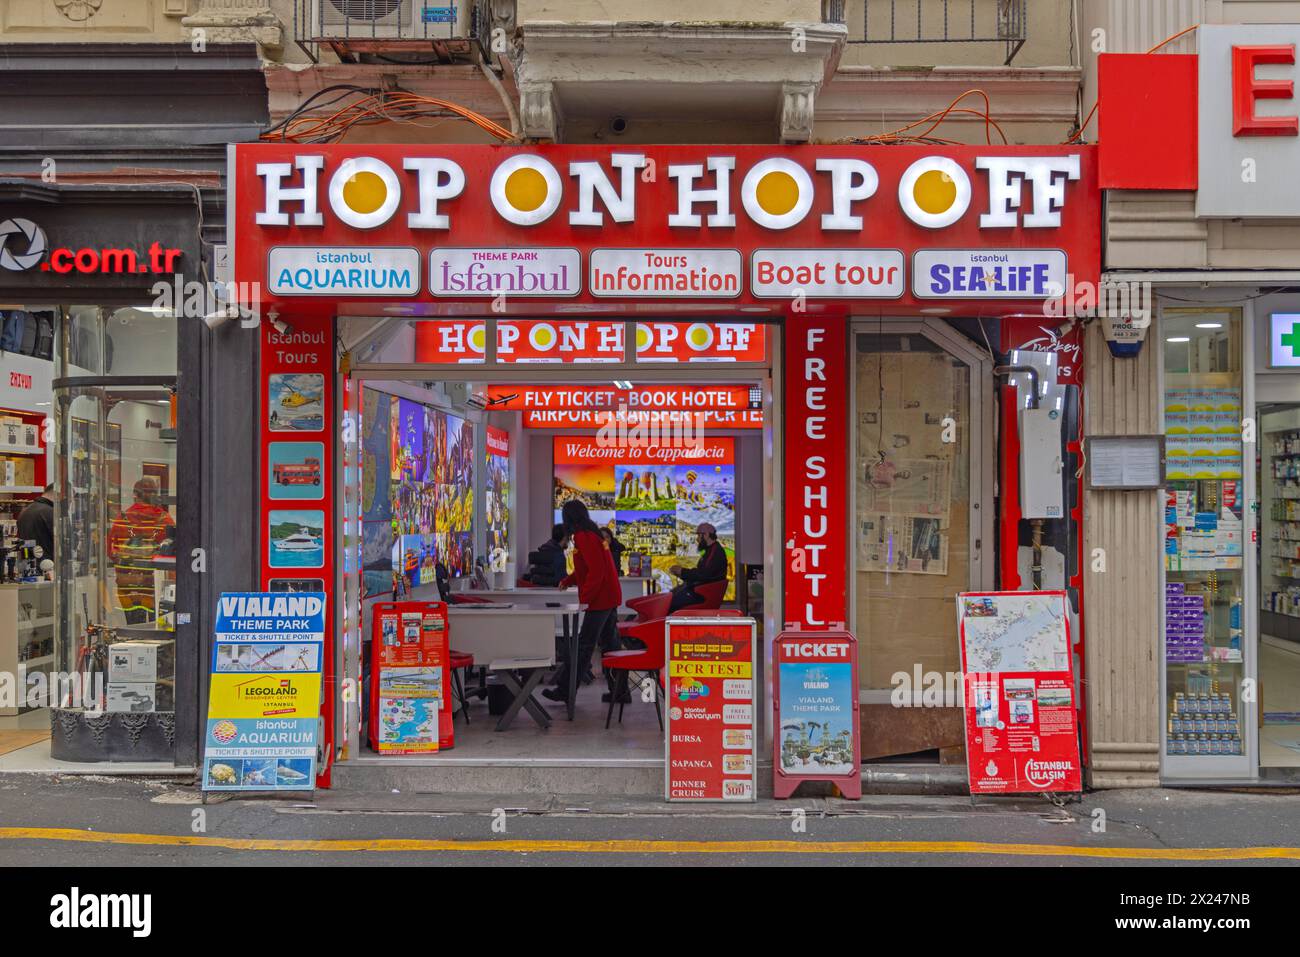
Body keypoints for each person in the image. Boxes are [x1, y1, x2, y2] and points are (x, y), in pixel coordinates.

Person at [542, 501, 622, 705]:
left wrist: (585, 598)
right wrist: (569, 580)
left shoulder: (584, 537)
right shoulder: (590, 533)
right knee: (610, 645)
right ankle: (620, 692)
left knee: (584, 646)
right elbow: (588, 568)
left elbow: (596, 572)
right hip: (608, 597)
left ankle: (564, 690)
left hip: (601, 599)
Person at [107, 477, 176, 624]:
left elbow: (111, 551)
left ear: (135, 495)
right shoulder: (165, 519)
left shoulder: (123, 518)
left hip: (128, 586)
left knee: (134, 629)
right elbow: (174, 553)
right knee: (158, 628)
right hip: (155, 586)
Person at [667, 522, 728, 613]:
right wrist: (682, 573)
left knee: (669, 601)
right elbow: (703, 573)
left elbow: (703, 575)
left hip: (702, 594)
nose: (697, 539)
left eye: (699, 536)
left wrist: (682, 572)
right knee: (671, 594)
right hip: (702, 591)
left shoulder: (715, 552)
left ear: (706, 535)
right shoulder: (712, 550)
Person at [16, 483, 54, 563]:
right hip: (48, 567)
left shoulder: (25, 510)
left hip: (27, 565)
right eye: (69, 500)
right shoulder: (51, 512)